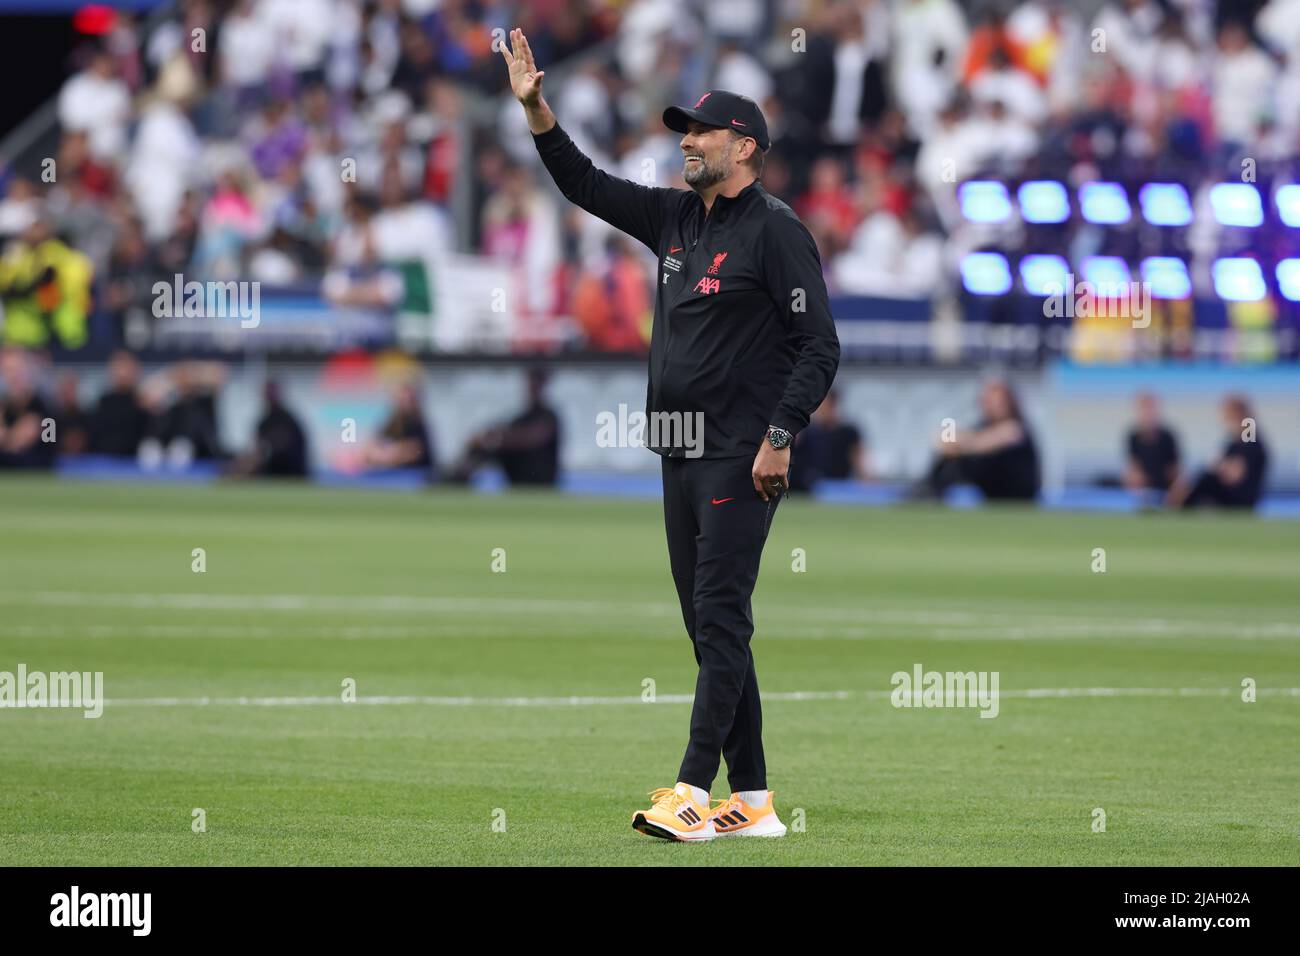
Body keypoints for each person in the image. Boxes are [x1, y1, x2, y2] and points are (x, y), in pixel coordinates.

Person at [503, 28, 840, 841]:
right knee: (708, 625)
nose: (686, 140)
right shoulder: (677, 219)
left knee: (721, 616)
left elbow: (819, 344)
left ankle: (693, 789)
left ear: (745, 146)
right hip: (678, 447)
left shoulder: (776, 230)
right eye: (682, 130)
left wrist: (781, 434)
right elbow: (583, 183)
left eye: (700, 129)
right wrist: (538, 110)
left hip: (738, 449)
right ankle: (753, 802)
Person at [911, 378, 1040, 501]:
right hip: (990, 488)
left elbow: (987, 442)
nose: (993, 405)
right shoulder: (983, 425)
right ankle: (928, 493)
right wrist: (958, 444)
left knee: (967, 455)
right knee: (950, 460)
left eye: (999, 400)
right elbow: (942, 440)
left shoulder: (1016, 426)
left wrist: (962, 445)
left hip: (1017, 492)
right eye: (989, 400)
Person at [448, 368, 560, 486]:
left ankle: (458, 477)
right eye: (531, 381)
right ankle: (458, 476)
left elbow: (530, 438)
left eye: (536, 382)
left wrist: (494, 440)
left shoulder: (549, 416)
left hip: (540, 476)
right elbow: (506, 431)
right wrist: (485, 437)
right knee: (483, 447)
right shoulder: (522, 417)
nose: (532, 386)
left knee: (491, 445)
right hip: (519, 471)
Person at [1167, 395, 1269, 510]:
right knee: (1199, 477)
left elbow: (1235, 474)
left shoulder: (1249, 439)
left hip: (1242, 499)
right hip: (1232, 494)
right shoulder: (1235, 442)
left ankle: (1179, 507)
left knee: (1205, 479)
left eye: (1227, 415)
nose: (1225, 420)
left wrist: (1219, 467)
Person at [788, 390, 869, 493]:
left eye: (826, 405)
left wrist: (865, 479)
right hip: (808, 487)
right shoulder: (807, 432)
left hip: (838, 486)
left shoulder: (849, 432)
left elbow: (858, 459)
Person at [226, 381, 309, 478]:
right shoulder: (264, 421)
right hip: (275, 468)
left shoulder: (287, 419)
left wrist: (247, 466)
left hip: (290, 472)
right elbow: (257, 450)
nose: (269, 395)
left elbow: (270, 451)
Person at [361, 381, 435, 477]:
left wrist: (391, 455)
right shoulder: (391, 422)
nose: (404, 403)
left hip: (414, 474)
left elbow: (415, 452)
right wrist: (378, 454)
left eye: (408, 400)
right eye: (401, 399)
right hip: (392, 473)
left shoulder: (418, 423)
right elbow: (371, 446)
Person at [0, 347, 55, 470]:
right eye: (6, 370)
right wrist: (11, 439)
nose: (12, 376)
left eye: (17, 370)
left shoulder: (43, 407)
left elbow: (49, 453)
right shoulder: (4, 405)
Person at [89, 350, 151, 458]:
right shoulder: (104, 402)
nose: (123, 372)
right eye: (119, 367)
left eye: (127, 367)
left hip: (135, 463)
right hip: (105, 462)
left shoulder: (143, 403)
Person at [1123, 392, 1180, 497]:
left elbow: (1174, 470)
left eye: (1150, 408)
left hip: (1163, 485)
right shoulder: (1133, 437)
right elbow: (1133, 466)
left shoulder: (1167, 436)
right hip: (1143, 486)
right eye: (1144, 409)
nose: (1148, 413)